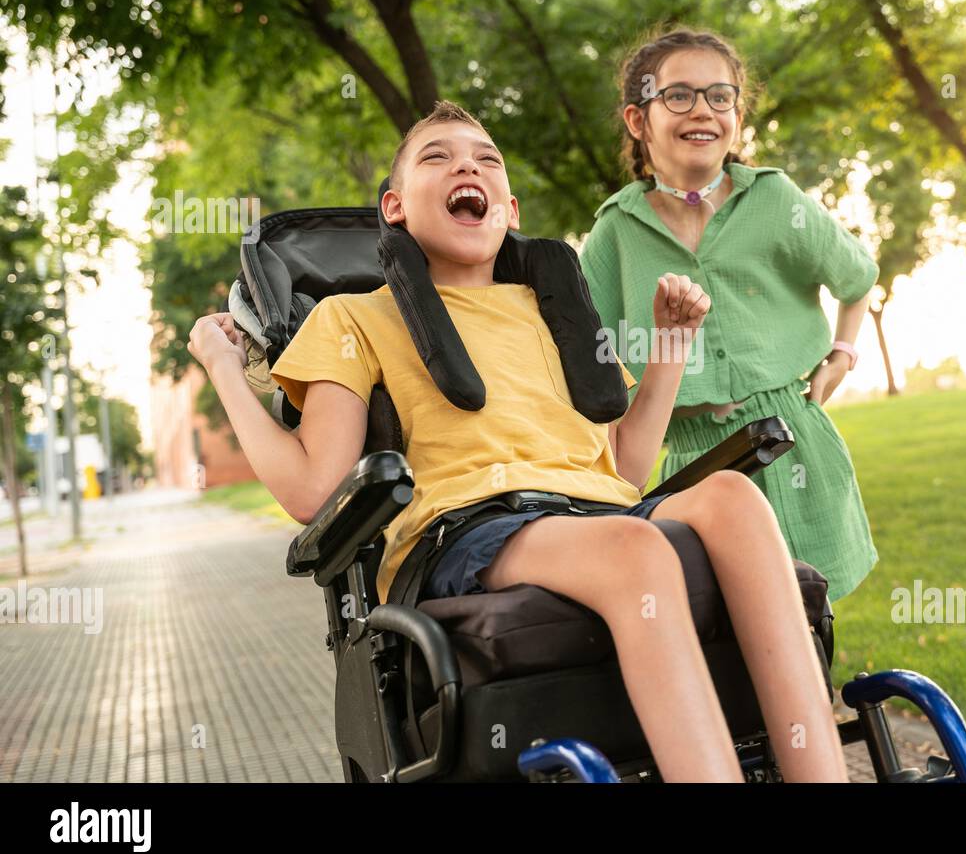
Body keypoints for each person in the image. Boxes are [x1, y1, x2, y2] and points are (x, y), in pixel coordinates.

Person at [187, 101, 848, 783]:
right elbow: (311, 491)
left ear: (511, 208)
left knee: (735, 498)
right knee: (635, 547)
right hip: (469, 532)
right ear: (393, 208)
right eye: (436, 157)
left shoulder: (555, 311)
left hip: (597, 516)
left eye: (486, 159)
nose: (467, 164)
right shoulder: (353, 316)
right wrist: (221, 367)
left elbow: (624, 468)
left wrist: (671, 347)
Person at [579, 27, 882, 604]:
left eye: (721, 96)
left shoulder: (774, 199)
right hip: (695, 458)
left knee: (811, 608)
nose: (703, 110)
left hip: (793, 438)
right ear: (638, 120)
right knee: (729, 613)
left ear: (738, 116)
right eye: (679, 95)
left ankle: (816, 696)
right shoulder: (614, 232)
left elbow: (857, 277)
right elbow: (586, 351)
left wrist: (843, 354)